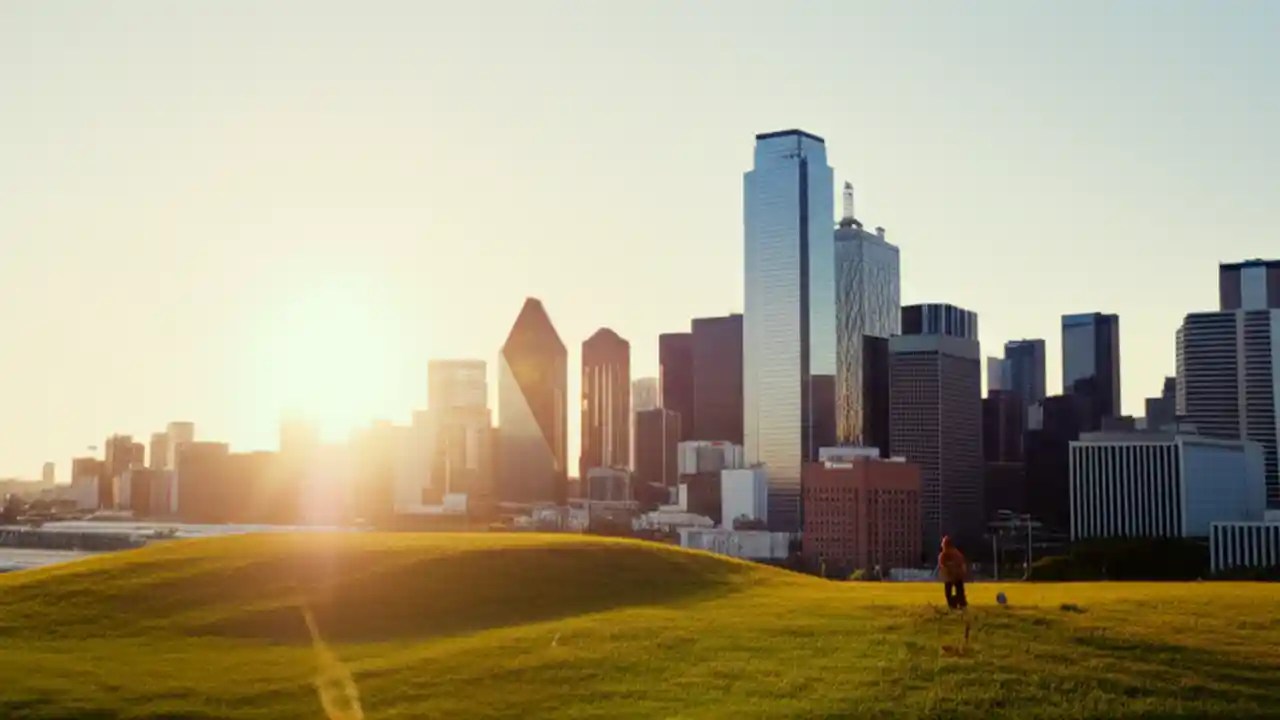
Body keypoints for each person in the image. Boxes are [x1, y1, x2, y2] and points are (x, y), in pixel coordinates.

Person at [938, 536, 968, 610]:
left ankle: (957, 604)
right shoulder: (946, 555)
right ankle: (959, 604)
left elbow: (943, 566)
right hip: (953, 576)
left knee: (954, 593)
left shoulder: (952, 554)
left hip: (955, 576)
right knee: (957, 593)